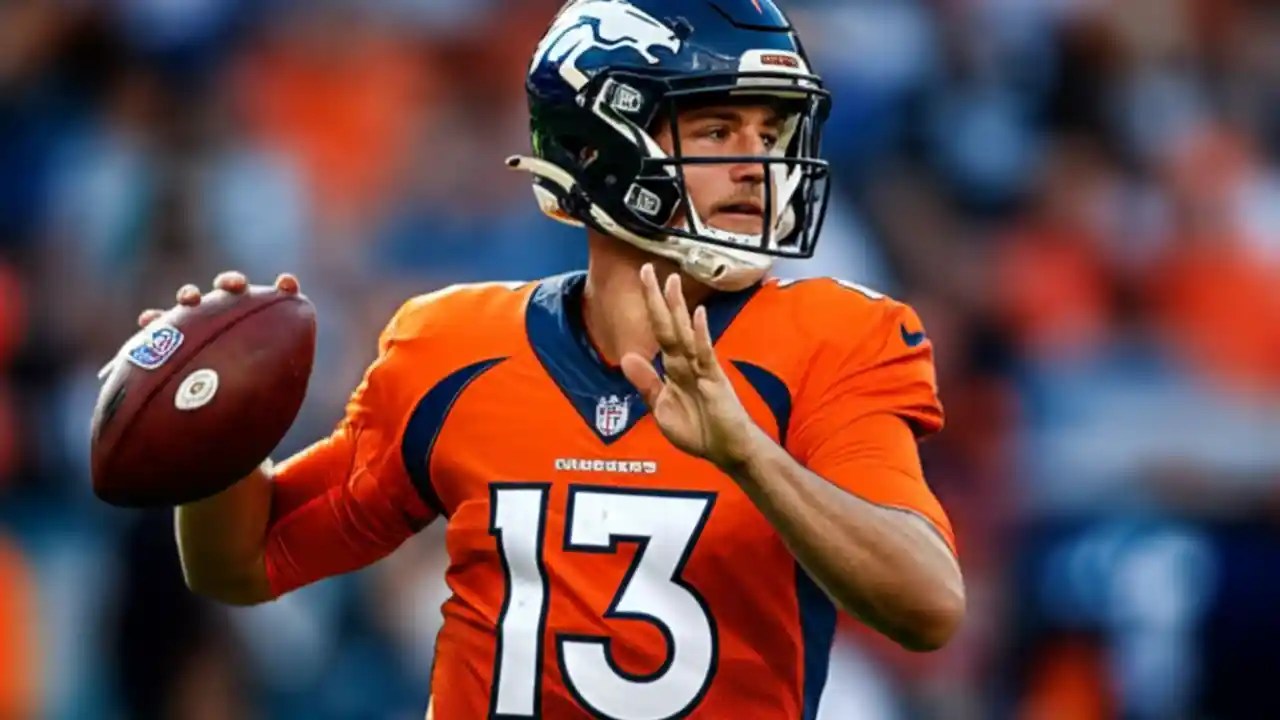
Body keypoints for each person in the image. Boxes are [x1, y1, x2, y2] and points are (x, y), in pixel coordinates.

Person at [140, 0, 965, 716]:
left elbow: (928, 605)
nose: (757, 164)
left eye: (771, 132)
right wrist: (217, 435)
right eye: (719, 129)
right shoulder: (451, 346)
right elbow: (244, 564)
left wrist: (749, 455)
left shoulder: (834, 339)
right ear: (599, 147)